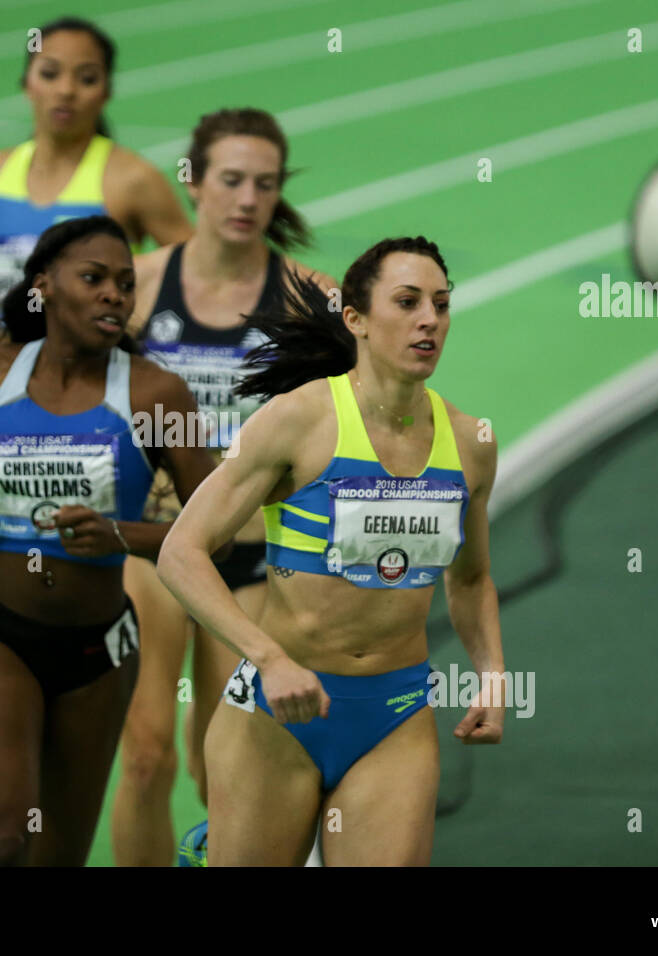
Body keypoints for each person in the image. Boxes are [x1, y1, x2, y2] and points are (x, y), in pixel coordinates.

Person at [0, 216, 220, 865]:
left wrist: (122, 533)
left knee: (55, 857)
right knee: (3, 844)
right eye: (93, 279)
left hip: (98, 649)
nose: (114, 295)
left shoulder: (154, 393)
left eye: (124, 283)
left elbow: (215, 533)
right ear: (44, 288)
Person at [0, 16, 193, 839]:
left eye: (84, 77)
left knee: (97, 588)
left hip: (106, 431)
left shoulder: (134, 182)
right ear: (26, 84)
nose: (65, 90)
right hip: (8, 419)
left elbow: (186, 277)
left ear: (106, 90)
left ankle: (78, 767)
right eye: (50, 74)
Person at [157, 237, 507, 866]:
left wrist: (492, 672)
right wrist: (268, 659)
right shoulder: (298, 420)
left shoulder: (470, 442)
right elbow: (182, 551)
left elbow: (472, 579)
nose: (430, 318)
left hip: (394, 716)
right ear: (357, 320)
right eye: (407, 302)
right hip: (277, 714)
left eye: (442, 304)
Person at [110, 107, 334, 866]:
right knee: (143, 755)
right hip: (148, 550)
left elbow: (352, 427)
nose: (246, 199)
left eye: (264, 185)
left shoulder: (312, 302)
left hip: (252, 562)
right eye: (231, 180)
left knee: (222, 771)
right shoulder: (135, 288)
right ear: (193, 182)